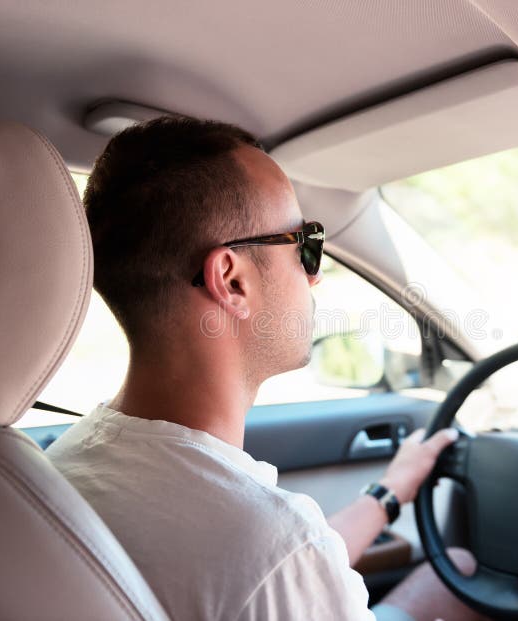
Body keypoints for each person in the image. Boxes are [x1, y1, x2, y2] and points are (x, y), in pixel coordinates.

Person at [47, 117, 486, 621]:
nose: (315, 277)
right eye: (305, 243)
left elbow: (273, 571)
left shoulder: (69, 459)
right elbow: (278, 564)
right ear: (231, 281)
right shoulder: (273, 545)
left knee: (453, 566)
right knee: (460, 573)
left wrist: (388, 493)